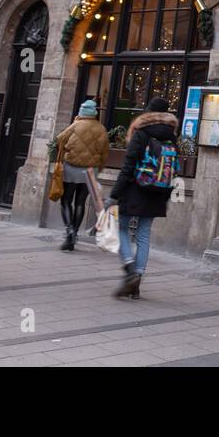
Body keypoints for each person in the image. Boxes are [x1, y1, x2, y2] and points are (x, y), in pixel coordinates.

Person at [106, 97, 181, 299]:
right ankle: (137, 281)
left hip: (135, 189)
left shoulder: (141, 133)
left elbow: (128, 166)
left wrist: (114, 194)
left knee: (121, 228)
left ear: (148, 113)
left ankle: (130, 269)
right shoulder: (172, 137)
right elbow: (173, 168)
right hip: (158, 191)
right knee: (144, 234)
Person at [53, 99, 107, 251]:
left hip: (72, 168)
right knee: (80, 203)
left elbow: (59, 140)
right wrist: (99, 169)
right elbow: (104, 152)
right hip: (90, 171)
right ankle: (75, 234)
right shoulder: (101, 128)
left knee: (66, 201)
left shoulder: (76, 125)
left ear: (82, 112)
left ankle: (69, 230)